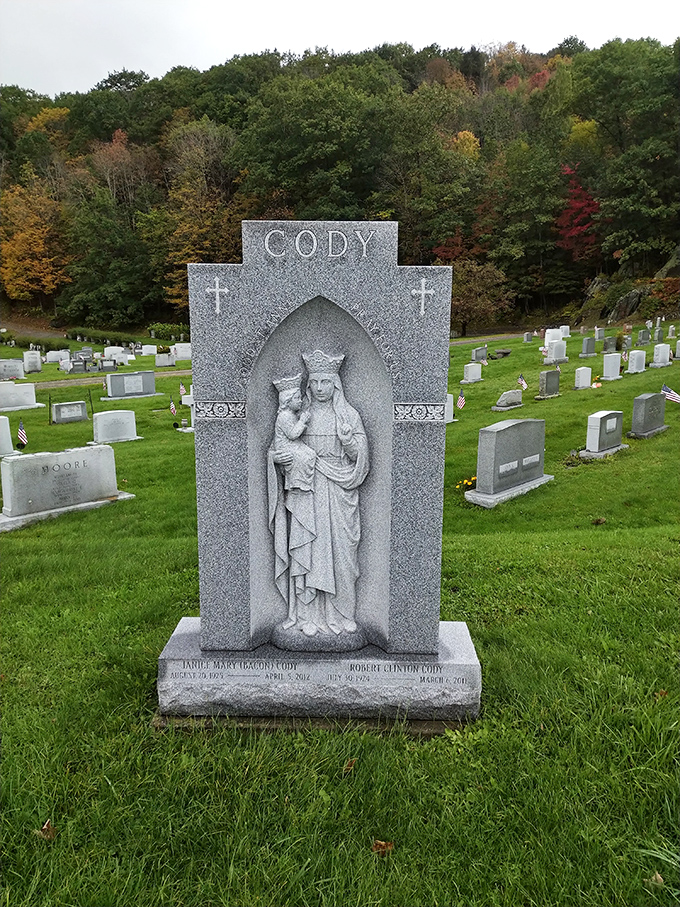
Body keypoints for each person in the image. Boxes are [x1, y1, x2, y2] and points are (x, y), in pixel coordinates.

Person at [268, 350, 369, 640]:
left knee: (342, 555)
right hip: (306, 491)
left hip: (338, 491)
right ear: (308, 385)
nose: (320, 388)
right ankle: (306, 616)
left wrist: (349, 441)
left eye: (326, 382)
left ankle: (342, 614)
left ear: (335, 383)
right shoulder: (299, 417)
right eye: (315, 383)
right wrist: (277, 460)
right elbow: (279, 449)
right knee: (306, 551)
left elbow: (361, 457)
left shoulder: (348, 415)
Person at [271, 374, 316, 492]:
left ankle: (303, 482)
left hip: (294, 444)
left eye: (300, 398)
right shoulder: (284, 416)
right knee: (303, 457)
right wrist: (302, 421)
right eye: (297, 398)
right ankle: (297, 482)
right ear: (287, 401)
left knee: (310, 454)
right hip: (286, 446)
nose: (300, 401)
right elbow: (292, 435)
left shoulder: (290, 415)